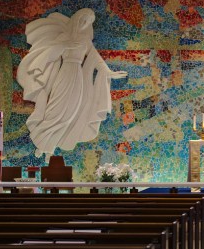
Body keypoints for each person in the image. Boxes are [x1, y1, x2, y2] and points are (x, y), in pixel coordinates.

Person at [16, 8, 127, 156]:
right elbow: (50, 54)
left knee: (70, 113)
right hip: (65, 74)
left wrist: (110, 72)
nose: (85, 24)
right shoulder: (64, 36)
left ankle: (50, 148)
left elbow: (97, 60)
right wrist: (65, 46)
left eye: (88, 22)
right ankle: (42, 143)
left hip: (78, 77)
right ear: (77, 19)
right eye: (83, 20)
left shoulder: (85, 41)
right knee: (55, 110)